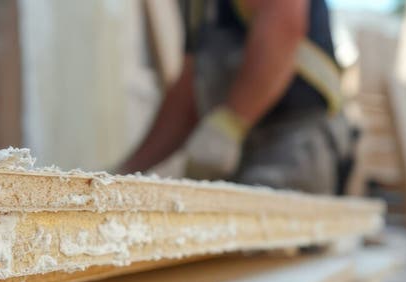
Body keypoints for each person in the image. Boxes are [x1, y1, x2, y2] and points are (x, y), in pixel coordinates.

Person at [118, 0, 352, 195]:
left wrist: (228, 124)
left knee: (262, 235)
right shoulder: (199, 8)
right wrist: (126, 170)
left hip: (298, 140)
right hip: (243, 148)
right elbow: (188, 91)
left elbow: (283, 25)